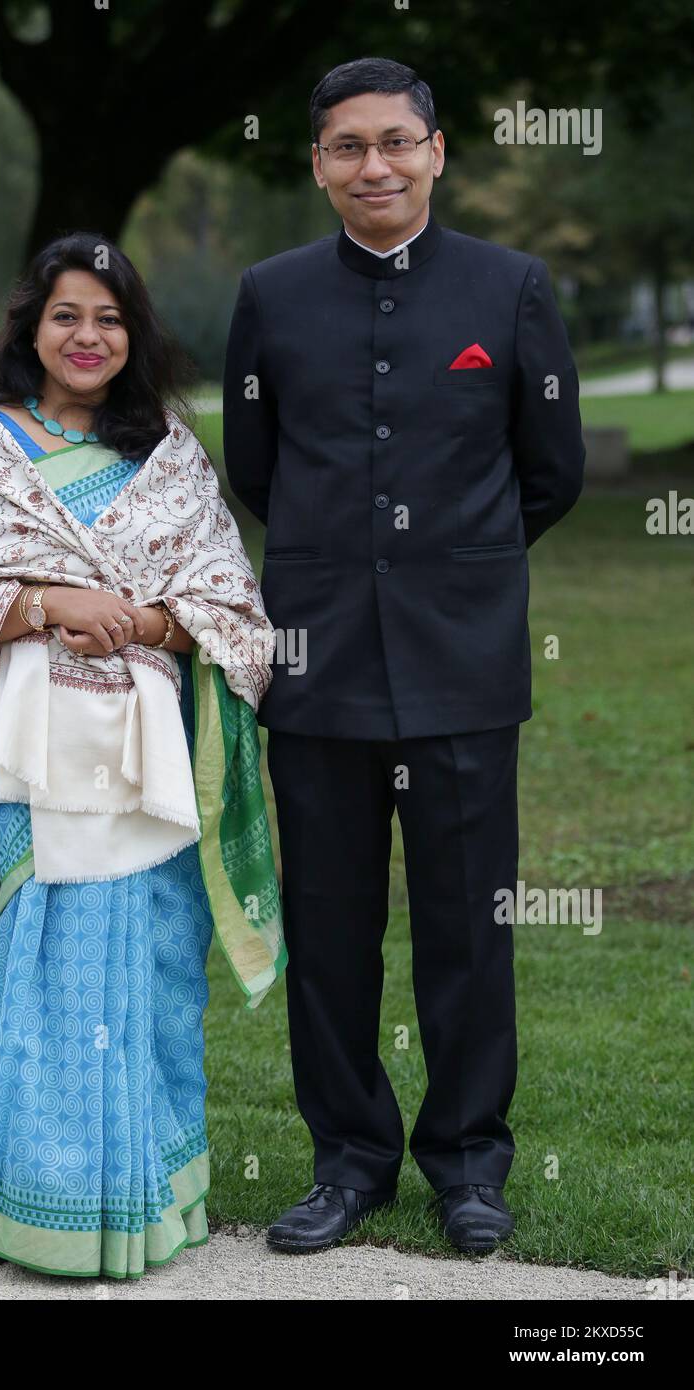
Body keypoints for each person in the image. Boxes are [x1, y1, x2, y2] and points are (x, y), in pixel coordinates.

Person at [222, 57, 585, 1256]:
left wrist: (452, 570)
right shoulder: (270, 296)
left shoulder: (510, 287)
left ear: (435, 152)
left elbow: (551, 472)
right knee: (328, 928)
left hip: (464, 666)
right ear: (317, 162)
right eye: (345, 147)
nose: (371, 166)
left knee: (467, 927)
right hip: (316, 661)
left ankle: (470, 1165)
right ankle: (347, 1162)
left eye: (393, 142)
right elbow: (257, 474)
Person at [0, 231, 285, 1280]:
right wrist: (43, 601)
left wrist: (149, 626)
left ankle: (143, 1207)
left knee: (149, 977)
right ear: (31, 327)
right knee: (35, 965)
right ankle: (27, 1206)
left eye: (109, 318)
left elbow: (235, 616)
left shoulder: (166, 458)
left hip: (146, 769)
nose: (87, 335)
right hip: (22, 762)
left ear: (134, 336)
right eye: (66, 314)